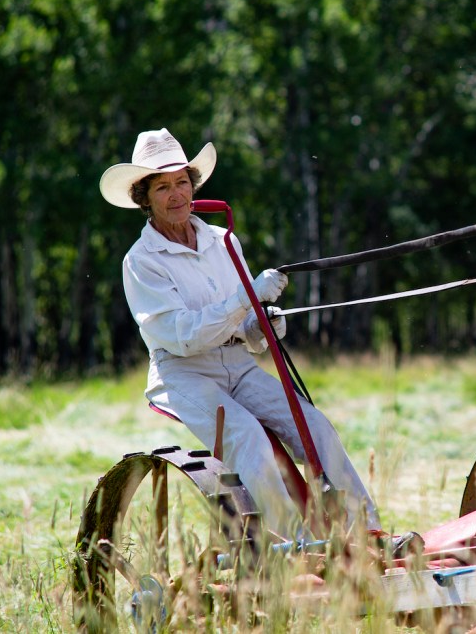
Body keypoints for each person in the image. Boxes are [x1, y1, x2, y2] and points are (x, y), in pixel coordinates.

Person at [99, 128, 380, 539]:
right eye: (162, 187)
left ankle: (366, 534)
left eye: (182, 182)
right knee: (247, 437)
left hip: (238, 366)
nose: (176, 194)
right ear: (145, 197)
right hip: (185, 374)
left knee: (315, 425)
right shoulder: (141, 261)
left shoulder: (223, 240)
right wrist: (246, 299)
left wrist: (264, 326)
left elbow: (244, 329)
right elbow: (183, 336)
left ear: (193, 186)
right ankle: (293, 547)